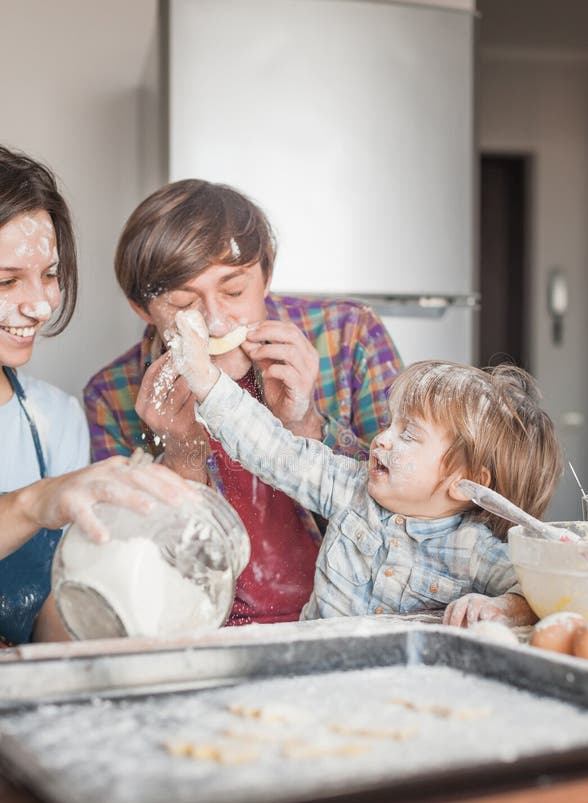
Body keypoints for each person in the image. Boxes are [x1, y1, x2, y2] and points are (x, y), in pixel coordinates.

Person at [84, 179, 402, 626]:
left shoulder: (350, 337)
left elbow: (413, 516)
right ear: (142, 308)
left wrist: (306, 423)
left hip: (349, 620)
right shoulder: (111, 396)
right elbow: (130, 584)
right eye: (181, 303)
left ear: (266, 276)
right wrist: (183, 459)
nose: (215, 322)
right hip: (208, 632)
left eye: (233, 292)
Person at [171, 307, 564, 628]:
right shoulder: (348, 489)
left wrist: (502, 608)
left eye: (407, 434)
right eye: (389, 424)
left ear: (465, 484)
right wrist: (206, 380)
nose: (382, 439)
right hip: (317, 675)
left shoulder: (472, 550)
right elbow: (275, 450)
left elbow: (544, 589)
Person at [0, 146, 196, 646]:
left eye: (49, 275)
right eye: (7, 280)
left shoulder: (55, 419)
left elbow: (51, 614)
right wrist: (32, 504)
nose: (41, 305)